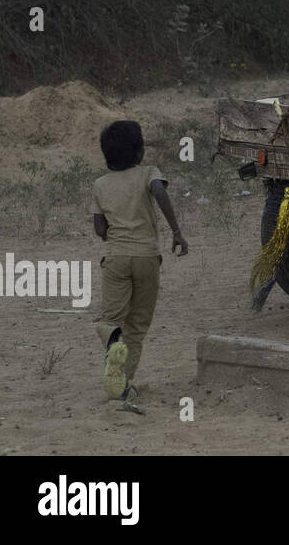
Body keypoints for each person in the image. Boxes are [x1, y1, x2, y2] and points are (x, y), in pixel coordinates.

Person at [90, 120, 187, 405]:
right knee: (138, 324)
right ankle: (122, 384)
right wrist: (177, 232)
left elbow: (99, 230)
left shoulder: (100, 184)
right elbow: (159, 191)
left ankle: (111, 340)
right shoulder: (149, 173)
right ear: (139, 152)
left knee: (111, 318)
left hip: (116, 257)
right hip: (146, 257)